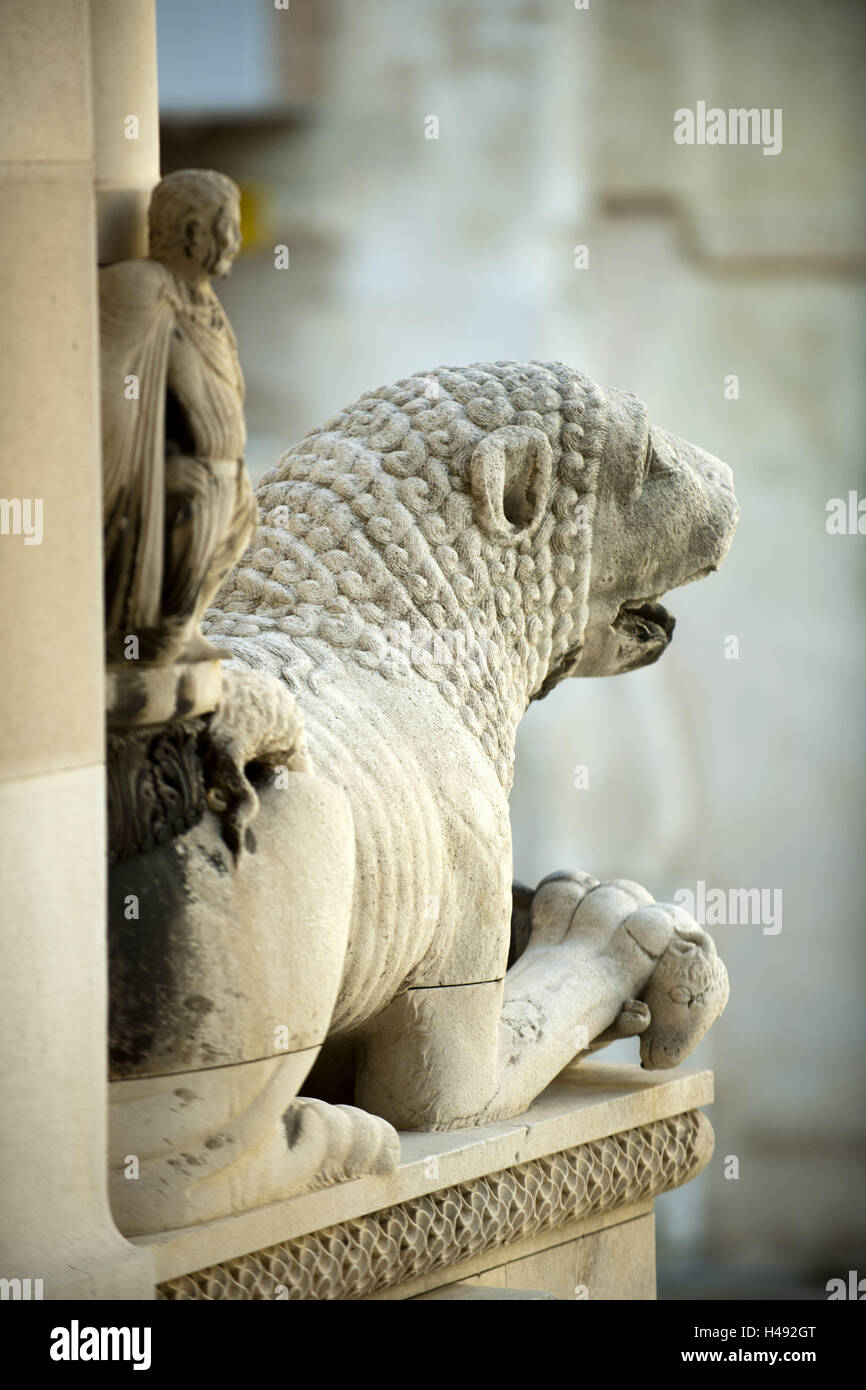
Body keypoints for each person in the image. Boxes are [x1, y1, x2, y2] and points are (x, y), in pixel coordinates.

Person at [101, 169, 257, 665]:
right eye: (227, 227)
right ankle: (149, 643)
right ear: (192, 232)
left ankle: (180, 632)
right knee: (157, 644)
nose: (236, 242)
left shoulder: (203, 298)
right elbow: (103, 386)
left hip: (227, 476)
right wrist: (154, 468)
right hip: (188, 481)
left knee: (193, 600)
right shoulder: (145, 285)